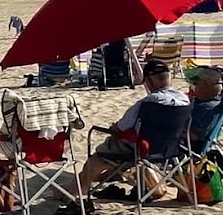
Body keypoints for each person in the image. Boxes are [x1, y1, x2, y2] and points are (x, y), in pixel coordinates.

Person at [78, 58, 187, 191]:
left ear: (149, 82)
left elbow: (121, 127)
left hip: (140, 150)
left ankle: (75, 190)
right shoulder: (185, 100)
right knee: (122, 144)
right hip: (171, 149)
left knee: (99, 156)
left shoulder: (147, 103)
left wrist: (114, 128)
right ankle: (114, 174)